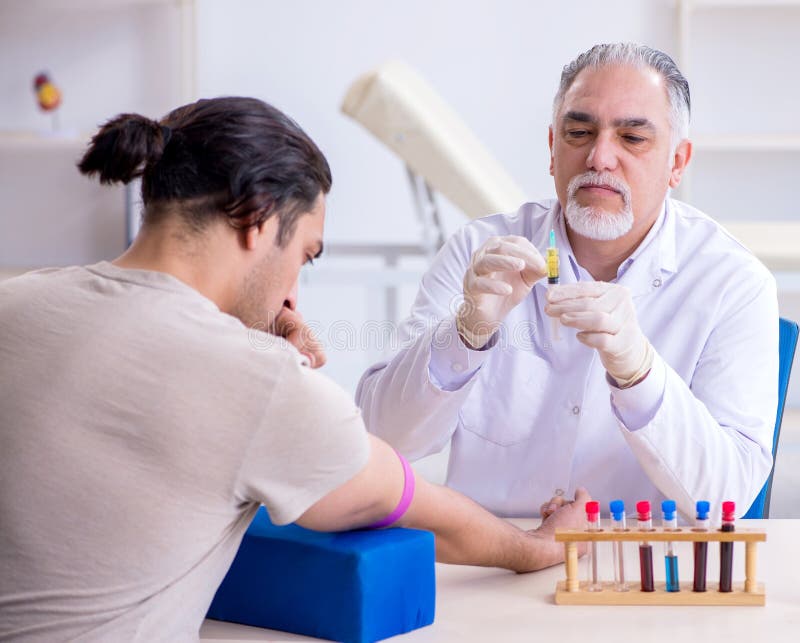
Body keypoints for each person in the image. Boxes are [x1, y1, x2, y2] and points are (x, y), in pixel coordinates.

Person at [0, 97, 589, 642]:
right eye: (305, 255)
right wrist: (538, 545)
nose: (293, 290)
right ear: (257, 218)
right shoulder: (259, 382)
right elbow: (412, 504)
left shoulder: (15, 303)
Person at [356, 43, 778, 521]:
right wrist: (464, 336)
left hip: (640, 571)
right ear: (553, 150)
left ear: (678, 162)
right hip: (492, 562)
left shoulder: (733, 284)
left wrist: (640, 373)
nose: (599, 157)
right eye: (580, 132)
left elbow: (729, 498)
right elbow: (382, 440)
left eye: (632, 139)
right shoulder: (479, 252)